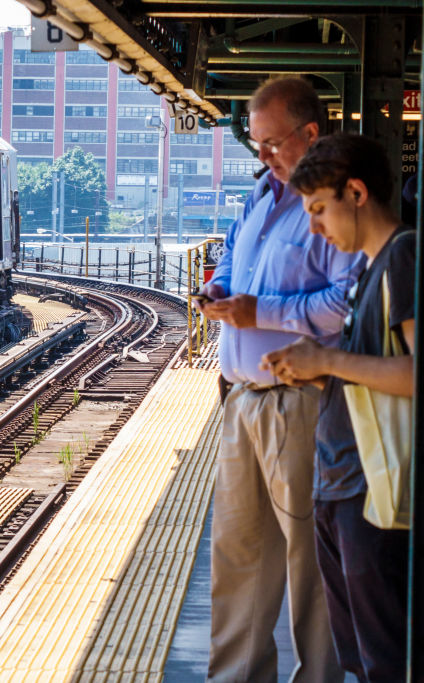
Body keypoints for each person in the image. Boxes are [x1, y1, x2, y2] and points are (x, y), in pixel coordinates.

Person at [196, 77, 358, 682]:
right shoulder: (259, 199)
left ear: (309, 134)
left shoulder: (332, 207)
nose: (261, 156)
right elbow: (234, 264)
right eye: (257, 145)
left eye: (270, 144)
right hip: (240, 399)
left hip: (302, 402)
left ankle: (318, 676)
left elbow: (347, 302)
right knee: (237, 556)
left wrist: (259, 312)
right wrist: (219, 291)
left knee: (308, 562)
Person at [261, 133, 412, 681]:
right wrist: (316, 362)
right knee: (360, 658)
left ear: (355, 192)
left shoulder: (405, 257)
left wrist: (325, 360)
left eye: (320, 209)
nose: (316, 227)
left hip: (375, 491)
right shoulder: (371, 269)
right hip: (342, 482)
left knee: (385, 659)